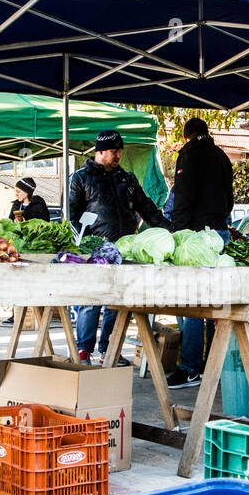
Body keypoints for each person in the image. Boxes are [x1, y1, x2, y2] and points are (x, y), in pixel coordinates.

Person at [68, 130, 171, 362]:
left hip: (124, 251)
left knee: (117, 304)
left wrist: (171, 228)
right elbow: (71, 217)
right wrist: (85, 246)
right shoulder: (80, 178)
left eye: (120, 152)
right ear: (100, 151)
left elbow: (148, 210)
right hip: (95, 254)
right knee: (91, 302)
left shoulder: (127, 179)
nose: (118, 156)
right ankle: (83, 350)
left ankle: (109, 349)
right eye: (114, 152)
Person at [167, 117, 234, 389]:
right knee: (213, 302)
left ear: (186, 137)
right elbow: (229, 199)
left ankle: (190, 367)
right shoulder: (222, 157)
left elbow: (182, 197)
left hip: (196, 236)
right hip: (219, 233)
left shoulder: (190, 155)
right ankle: (209, 364)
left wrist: (179, 234)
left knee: (193, 303)